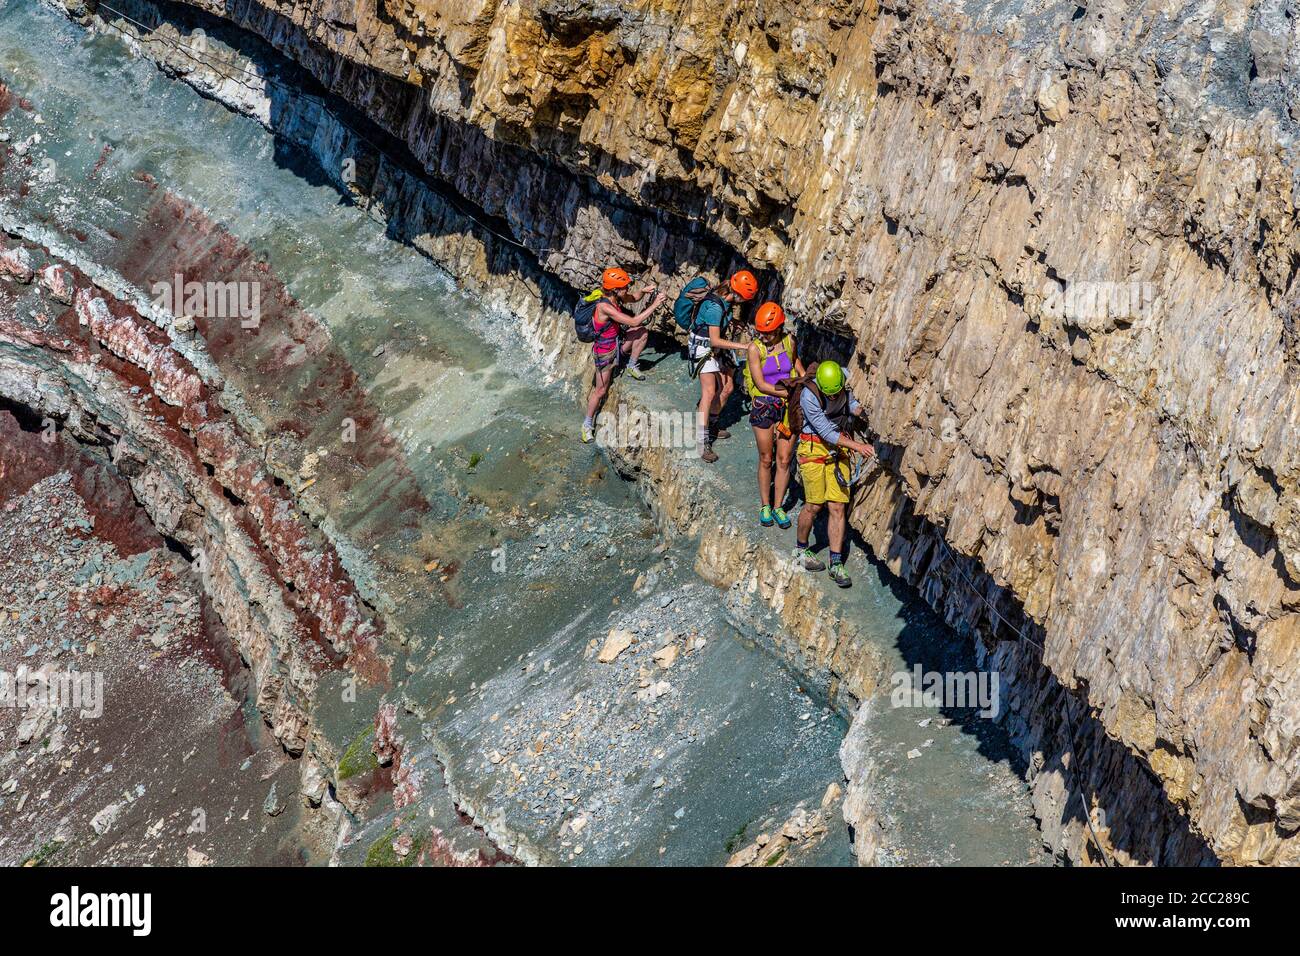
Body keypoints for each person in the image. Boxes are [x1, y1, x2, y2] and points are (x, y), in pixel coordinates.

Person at [792, 360, 874, 587]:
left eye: (837, 392)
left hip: (838, 449)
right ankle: (801, 550)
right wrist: (859, 447)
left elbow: (851, 402)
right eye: (831, 395)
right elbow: (826, 432)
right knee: (814, 504)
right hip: (814, 448)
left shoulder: (843, 378)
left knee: (837, 506)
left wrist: (861, 409)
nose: (834, 396)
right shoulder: (809, 396)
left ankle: (835, 563)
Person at [681, 270, 758, 463]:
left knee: (726, 388)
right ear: (738, 294)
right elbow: (715, 340)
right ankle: (701, 442)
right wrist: (744, 346)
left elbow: (718, 319)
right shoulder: (715, 307)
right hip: (703, 347)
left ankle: (712, 425)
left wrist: (734, 321)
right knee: (709, 391)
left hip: (708, 345)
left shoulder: (723, 298)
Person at [582, 268, 666, 443]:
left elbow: (633, 298)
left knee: (642, 333)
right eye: (624, 287)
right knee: (600, 391)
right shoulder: (604, 306)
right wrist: (655, 304)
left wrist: (643, 291)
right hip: (605, 353)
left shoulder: (615, 297)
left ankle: (631, 365)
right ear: (614, 289)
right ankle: (587, 424)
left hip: (616, 344)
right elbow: (634, 321)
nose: (627, 290)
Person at [744, 302, 804, 528]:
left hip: (786, 408)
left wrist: (802, 378)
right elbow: (760, 383)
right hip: (765, 406)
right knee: (766, 458)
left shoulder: (789, 342)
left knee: (784, 459)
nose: (764, 336)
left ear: (779, 328)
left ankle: (778, 506)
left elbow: (796, 363)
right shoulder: (754, 349)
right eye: (761, 332)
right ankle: (765, 505)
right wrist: (788, 392)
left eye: (768, 332)